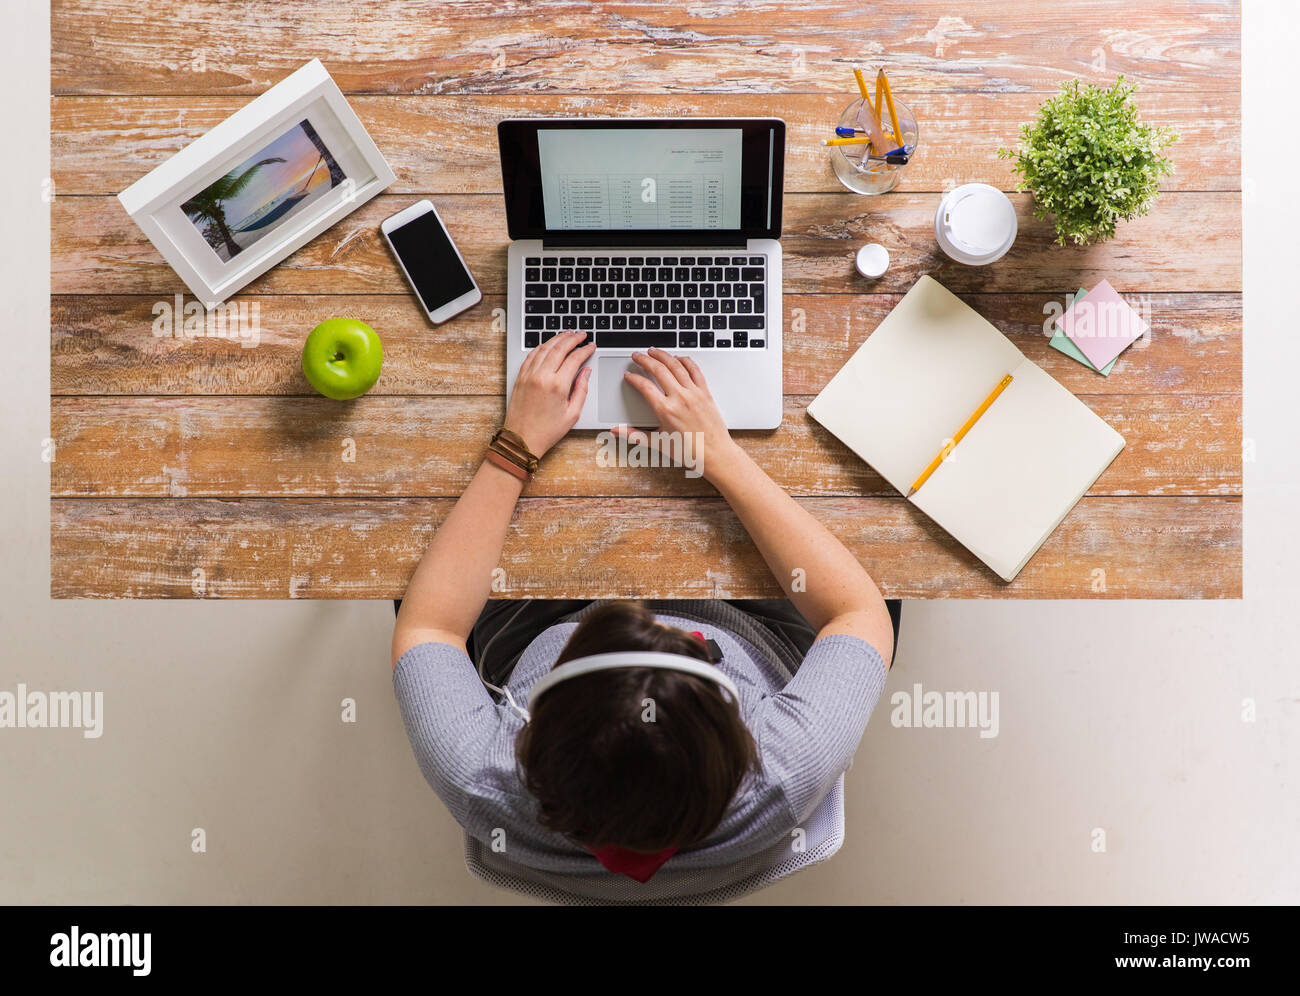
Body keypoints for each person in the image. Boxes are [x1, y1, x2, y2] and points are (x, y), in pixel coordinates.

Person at [392, 332, 899, 892]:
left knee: (413, 573)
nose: (662, 616)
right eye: (692, 646)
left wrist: (514, 447)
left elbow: (430, 626)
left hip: (537, 625)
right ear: (741, 744)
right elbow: (858, 611)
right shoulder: (783, 771)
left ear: (531, 735)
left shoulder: (479, 779)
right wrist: (720, 456)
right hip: (761, 629)